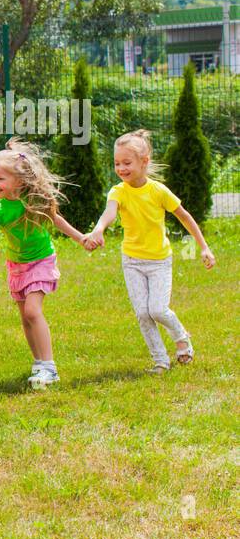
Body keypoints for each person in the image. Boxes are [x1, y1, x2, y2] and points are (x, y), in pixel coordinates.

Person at [0, 139, 89, 389]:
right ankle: (39, 361)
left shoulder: (33, 200)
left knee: (32, 311)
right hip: (16, 266)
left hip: (41, 260)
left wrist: (81, 238)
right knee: (25, 317)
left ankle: (50, 367)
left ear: (18, 181)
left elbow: (56, 220)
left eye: (0, 179)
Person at [85, 129, 216, 371]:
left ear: (144, 162)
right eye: (116, 163)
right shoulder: (118, 191)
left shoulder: (158, 191)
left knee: (157, 309)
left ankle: (182, 339)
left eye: (127, 162)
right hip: (132, 261)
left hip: (159, 261)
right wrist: (99, 229)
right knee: (143, 314)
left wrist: (204, 247)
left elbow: (185, 217)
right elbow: (109, 213)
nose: (121, 168)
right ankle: (160, 360)